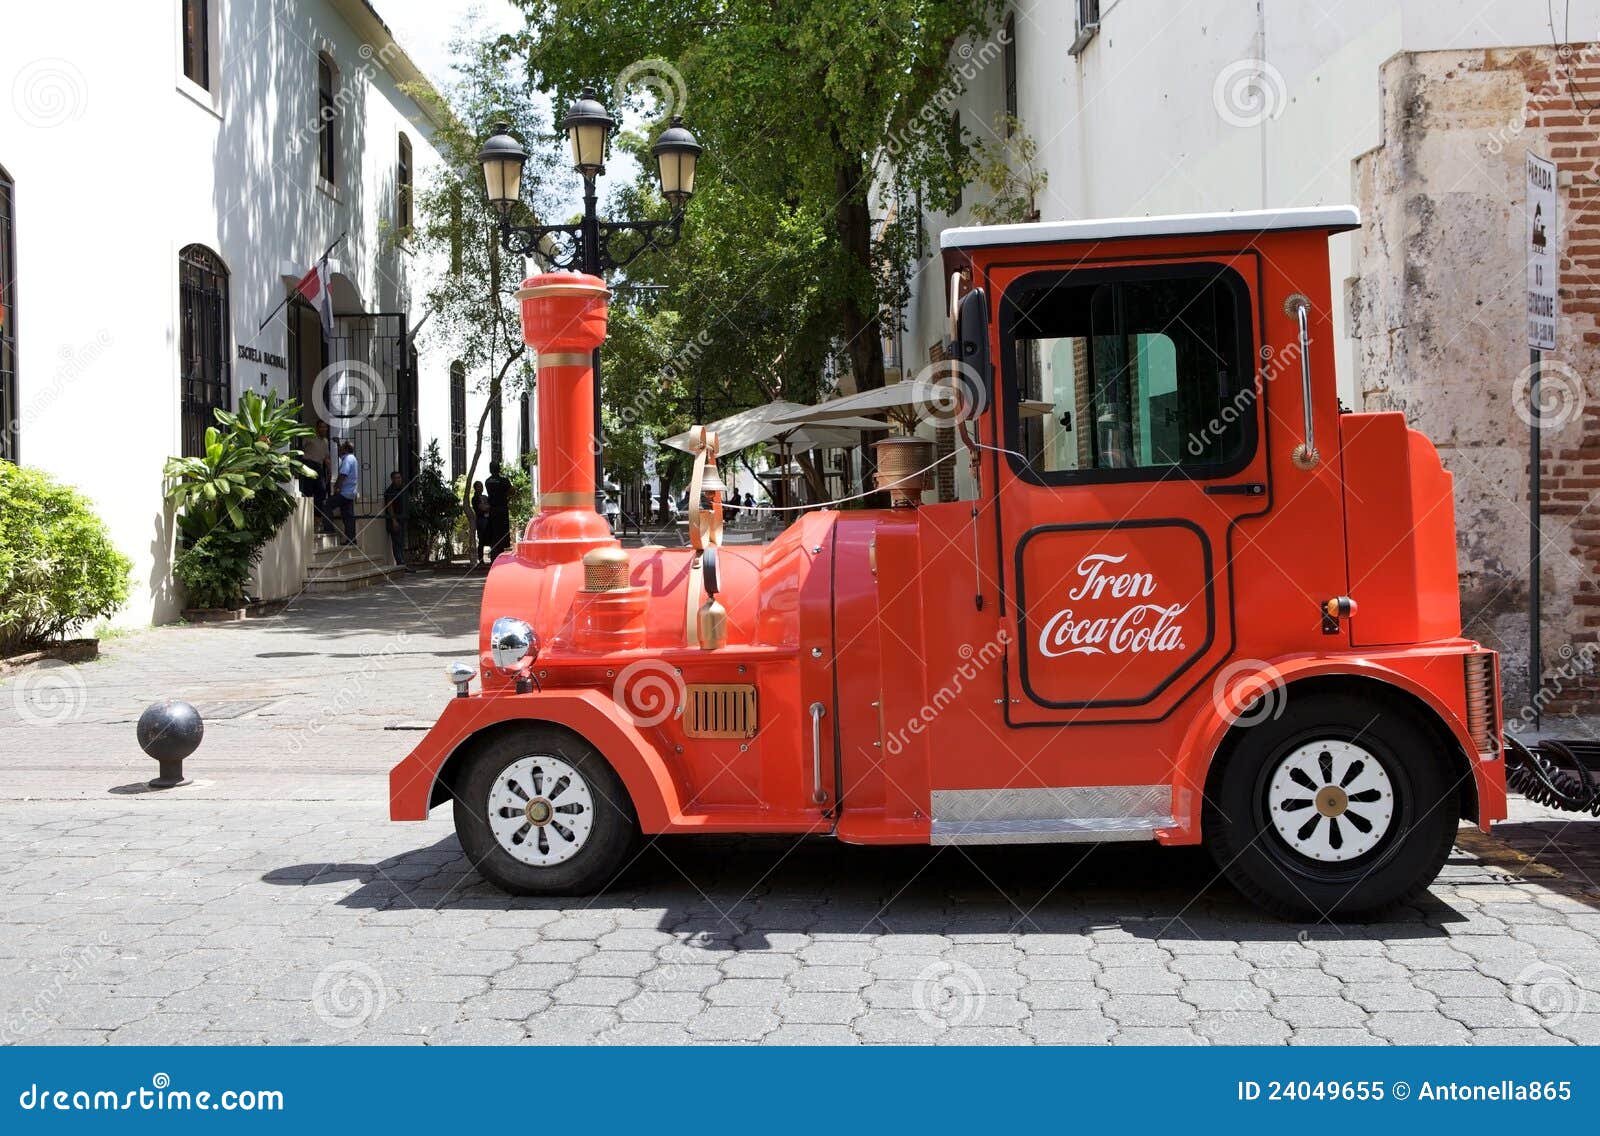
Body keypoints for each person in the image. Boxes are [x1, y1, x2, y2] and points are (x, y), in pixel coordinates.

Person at [300, 421, 332, 534]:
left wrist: (330, 470)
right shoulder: (309, 437)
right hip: (308, 465)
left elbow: (326, 458)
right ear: (317, 428)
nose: (324, 429)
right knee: (307, 493)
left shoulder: (325, 441)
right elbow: (300, 450)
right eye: (321, 427)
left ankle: (317, 521)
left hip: (319, 467)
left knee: (321, 493)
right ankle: (306, 521)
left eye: (325, 428)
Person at [331, 441, 359, 546]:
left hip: (344, 493)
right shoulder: (353, 458)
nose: (339, 450)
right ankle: (351, 540)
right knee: (348, 517)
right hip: (351, 493)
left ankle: (328, 529)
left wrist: (336, 486)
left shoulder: (347, 459)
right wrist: (338, 443)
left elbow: (343, 475)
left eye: (341, 448)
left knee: (326, 505)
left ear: (345, 450)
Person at [382, 470, 409, 570]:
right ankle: (400, 563)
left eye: (399, 477)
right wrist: (394, 520)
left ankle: (402, 563)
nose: (398, 480)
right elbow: (390, 507)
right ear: (392, 479)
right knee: (397, 542)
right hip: (395, 520)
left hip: (402, 518)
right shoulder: (390, 491)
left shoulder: (401, 489)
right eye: (396, 478)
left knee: (401, 542)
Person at [485, 460, 512, 557]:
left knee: (494, 532)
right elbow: (512, 491)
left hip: (492, 510)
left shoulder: (487, 481)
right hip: (502, 509)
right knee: (502, 532)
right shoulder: (504, 481)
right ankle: (500, 553)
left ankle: (494, 553)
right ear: (499, 469)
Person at [472, 480, 490, 566]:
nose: (481, 488)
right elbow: (482, 508)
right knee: (481, 540)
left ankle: (491, 557)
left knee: (489, 538)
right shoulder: (475, 498)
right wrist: (487, 507)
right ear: (475, 488)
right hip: (481, 520)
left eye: (482, 486)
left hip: (488, 519)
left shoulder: (485, 497)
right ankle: (481, 559)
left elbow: (489, 506)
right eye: (479, 486)